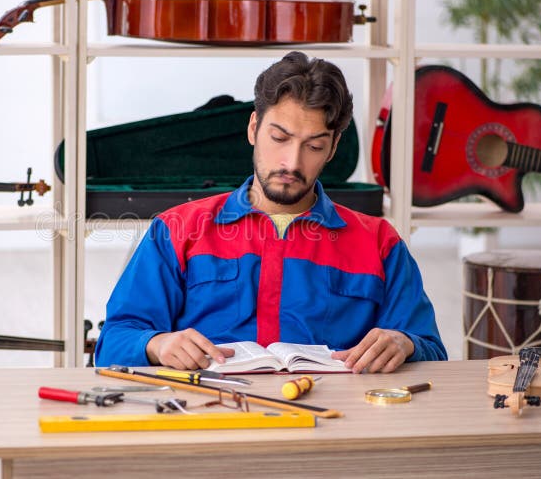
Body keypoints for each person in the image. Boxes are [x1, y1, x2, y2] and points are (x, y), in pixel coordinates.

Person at [94, 51, 447, 373]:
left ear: (333, 148)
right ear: (253, 128)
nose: (292, 162)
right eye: (279, 138)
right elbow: (113, 342)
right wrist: (158, 344)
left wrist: (406, 343)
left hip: (339, 426)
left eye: (314, 146)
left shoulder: (380, 243)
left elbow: (431, 349)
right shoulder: (174, 231)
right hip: (208, 420)